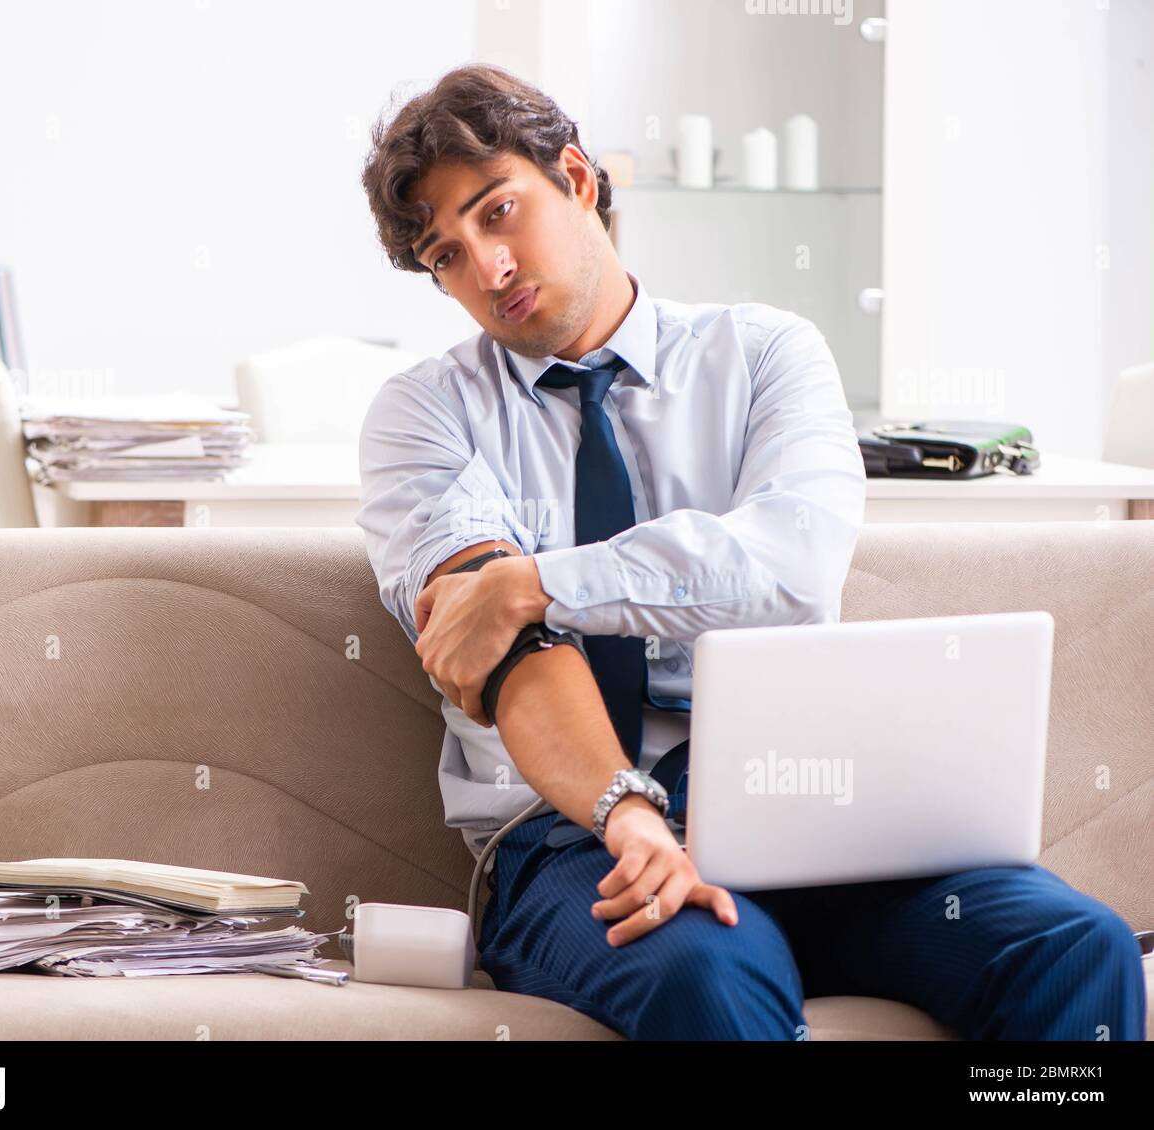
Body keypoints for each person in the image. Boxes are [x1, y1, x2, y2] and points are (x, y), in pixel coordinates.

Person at [355, 62, 1147, 1040]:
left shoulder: (766, 353)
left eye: (498, 211)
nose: (485, 267)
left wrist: (539, 579)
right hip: (571, 836)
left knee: (1073, 947)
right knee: (704, 976)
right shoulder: (425, 415)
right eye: (445, 255)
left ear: (578, 177)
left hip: (816, 814)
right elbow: (507, 648)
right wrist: (628, 812)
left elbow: (787, 563)